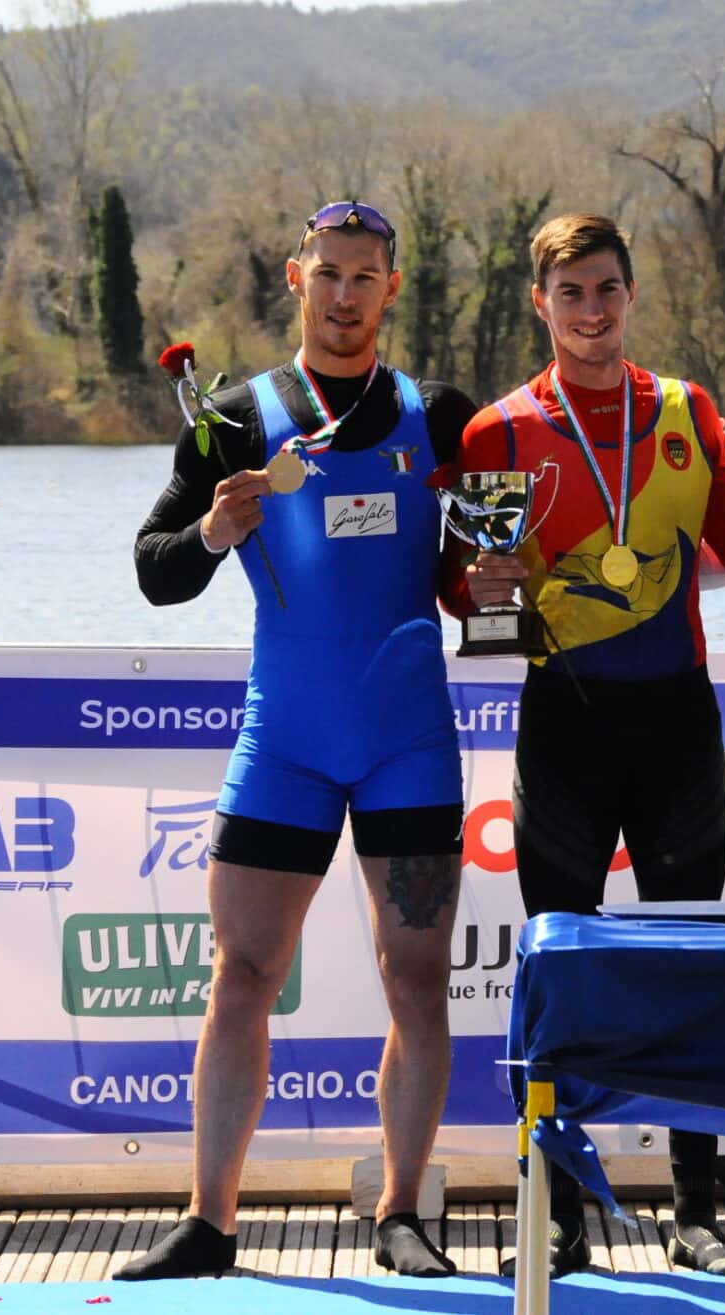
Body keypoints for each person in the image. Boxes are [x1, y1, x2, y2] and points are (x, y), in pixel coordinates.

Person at [125, 201, 476, 1281]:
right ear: (296, 278)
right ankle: (210, 1222)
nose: (344, 294)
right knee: (241, 975)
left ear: (391, 289)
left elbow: (480, 567)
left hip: (407, 737)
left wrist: (493, 585)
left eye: (365, 277)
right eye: (328, 273)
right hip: (285, 740)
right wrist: (215, 529)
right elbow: (152, 567)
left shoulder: (442, 414)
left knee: (416, 980)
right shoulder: (234, 415)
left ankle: (403, 1213)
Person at [442, 212, 725, 1278]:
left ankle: (696, 1213)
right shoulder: (496, 433)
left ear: (630, 294)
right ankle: (552, 1210)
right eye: (571, 294)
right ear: (539, 305)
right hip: (567, 723)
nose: (591, 312)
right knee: (557, 973)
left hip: (679, 718)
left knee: (695, 962)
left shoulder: (685, 410)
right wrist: (474, 587)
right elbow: (477, 603)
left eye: (606, 290)